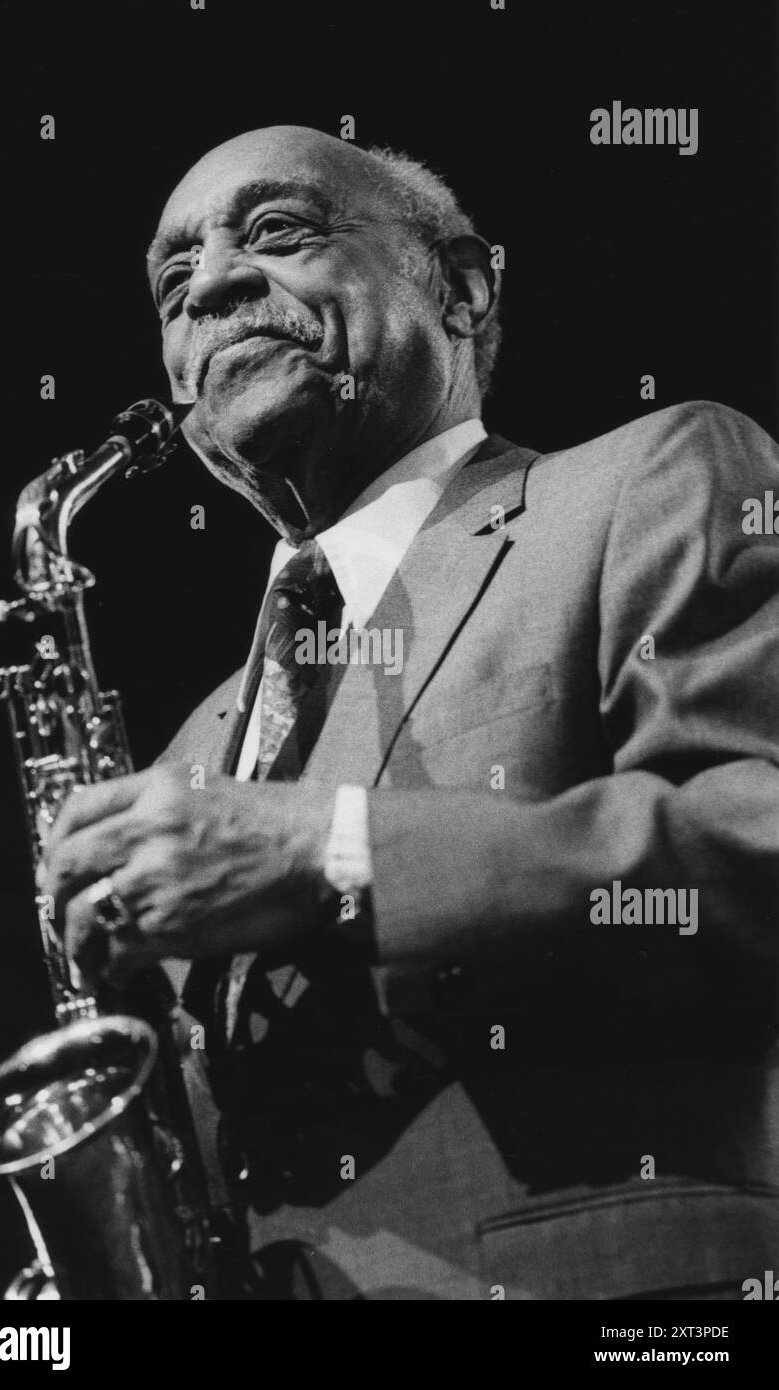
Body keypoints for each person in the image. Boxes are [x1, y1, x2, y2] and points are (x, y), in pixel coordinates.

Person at [42, 125, 779, 1300]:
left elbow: (753, 853)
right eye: (173, 284)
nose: (214, 286)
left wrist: (331, 853)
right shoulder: (195, 745)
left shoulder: (651, 479)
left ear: (464, 285)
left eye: (276, 232)